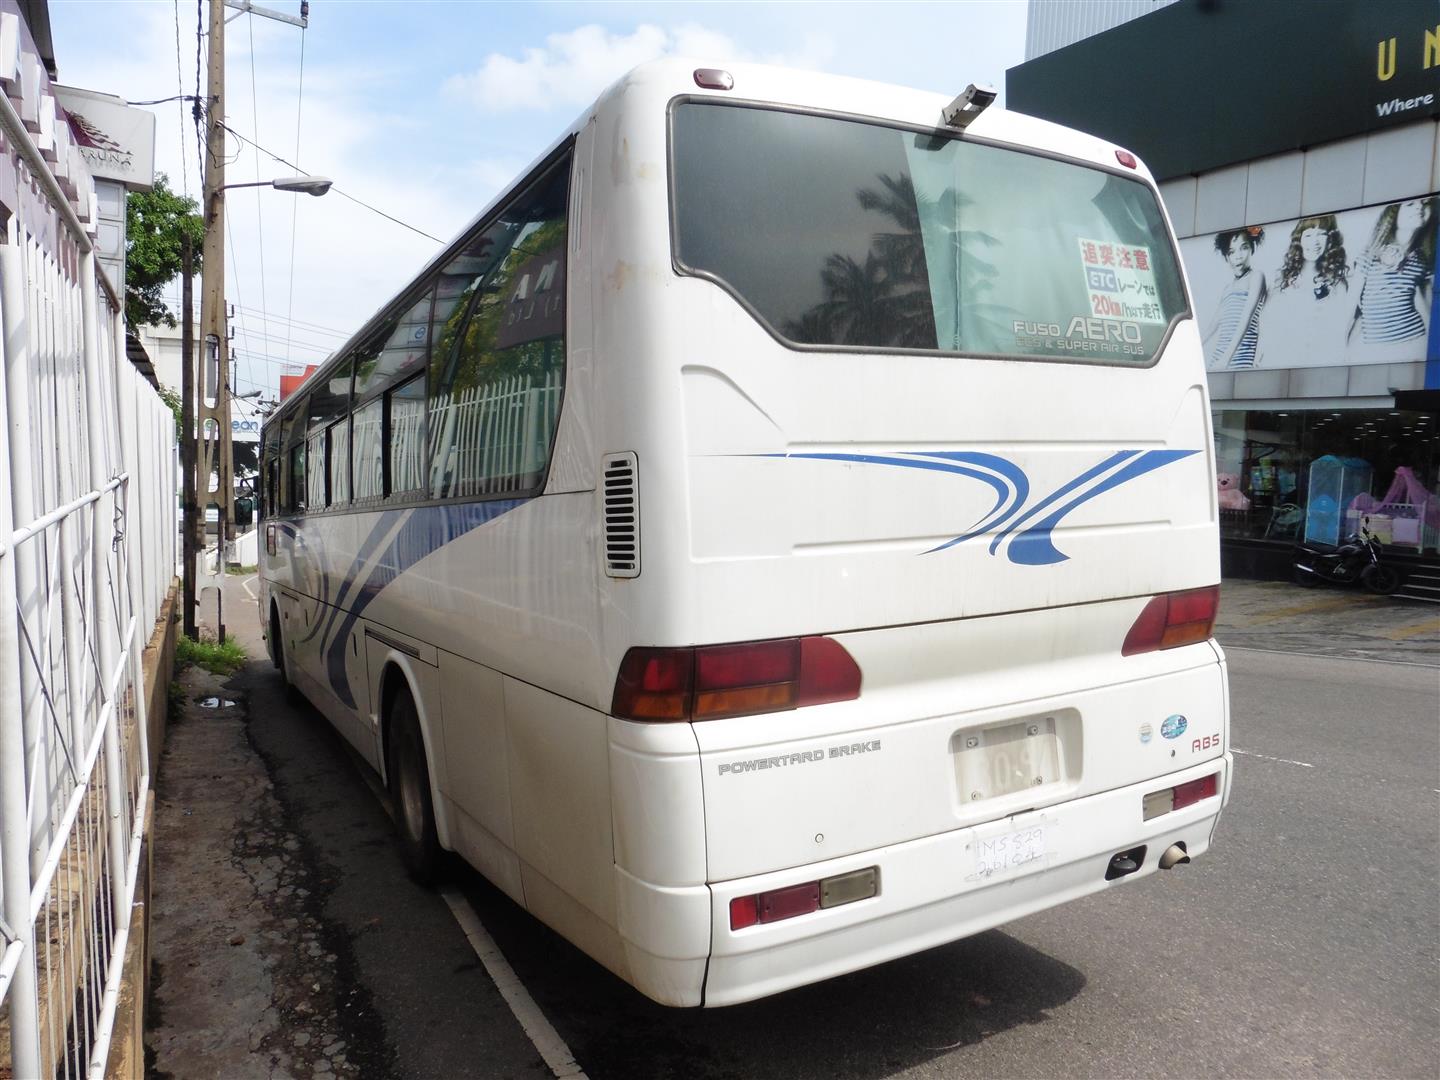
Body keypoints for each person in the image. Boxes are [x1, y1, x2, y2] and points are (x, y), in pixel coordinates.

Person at [1348, 198, 1437, 356]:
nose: (1419, 207)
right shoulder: (1370, 253)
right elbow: (1349, 305)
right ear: (1393, 214)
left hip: (1413, 341)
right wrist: (1342, 347)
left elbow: (1431, 306)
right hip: (1374, 347)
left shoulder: (1422, 258)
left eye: (1425, 203)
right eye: (1410, 204)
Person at [1262, 214, 1350, 362]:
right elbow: (1266, 324)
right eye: (1308, 235)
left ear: (1330, 239)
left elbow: (1338, 334)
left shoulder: (1337, 285)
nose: (1315, 242)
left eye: (1321, 234)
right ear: (1300, 239)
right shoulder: (1281, 281)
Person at [1202, 226, 1266, 370]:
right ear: (1227, 257)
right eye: (1232, 252)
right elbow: (1214, 325)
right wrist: (1195, 346)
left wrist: (1226, 358)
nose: (1238, 256)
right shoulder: (1228, 288)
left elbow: (1246, 317)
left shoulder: (1256, 276)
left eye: (1244, 248)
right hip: (1218, 359)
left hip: (1240, 359)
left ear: (1252, 249)